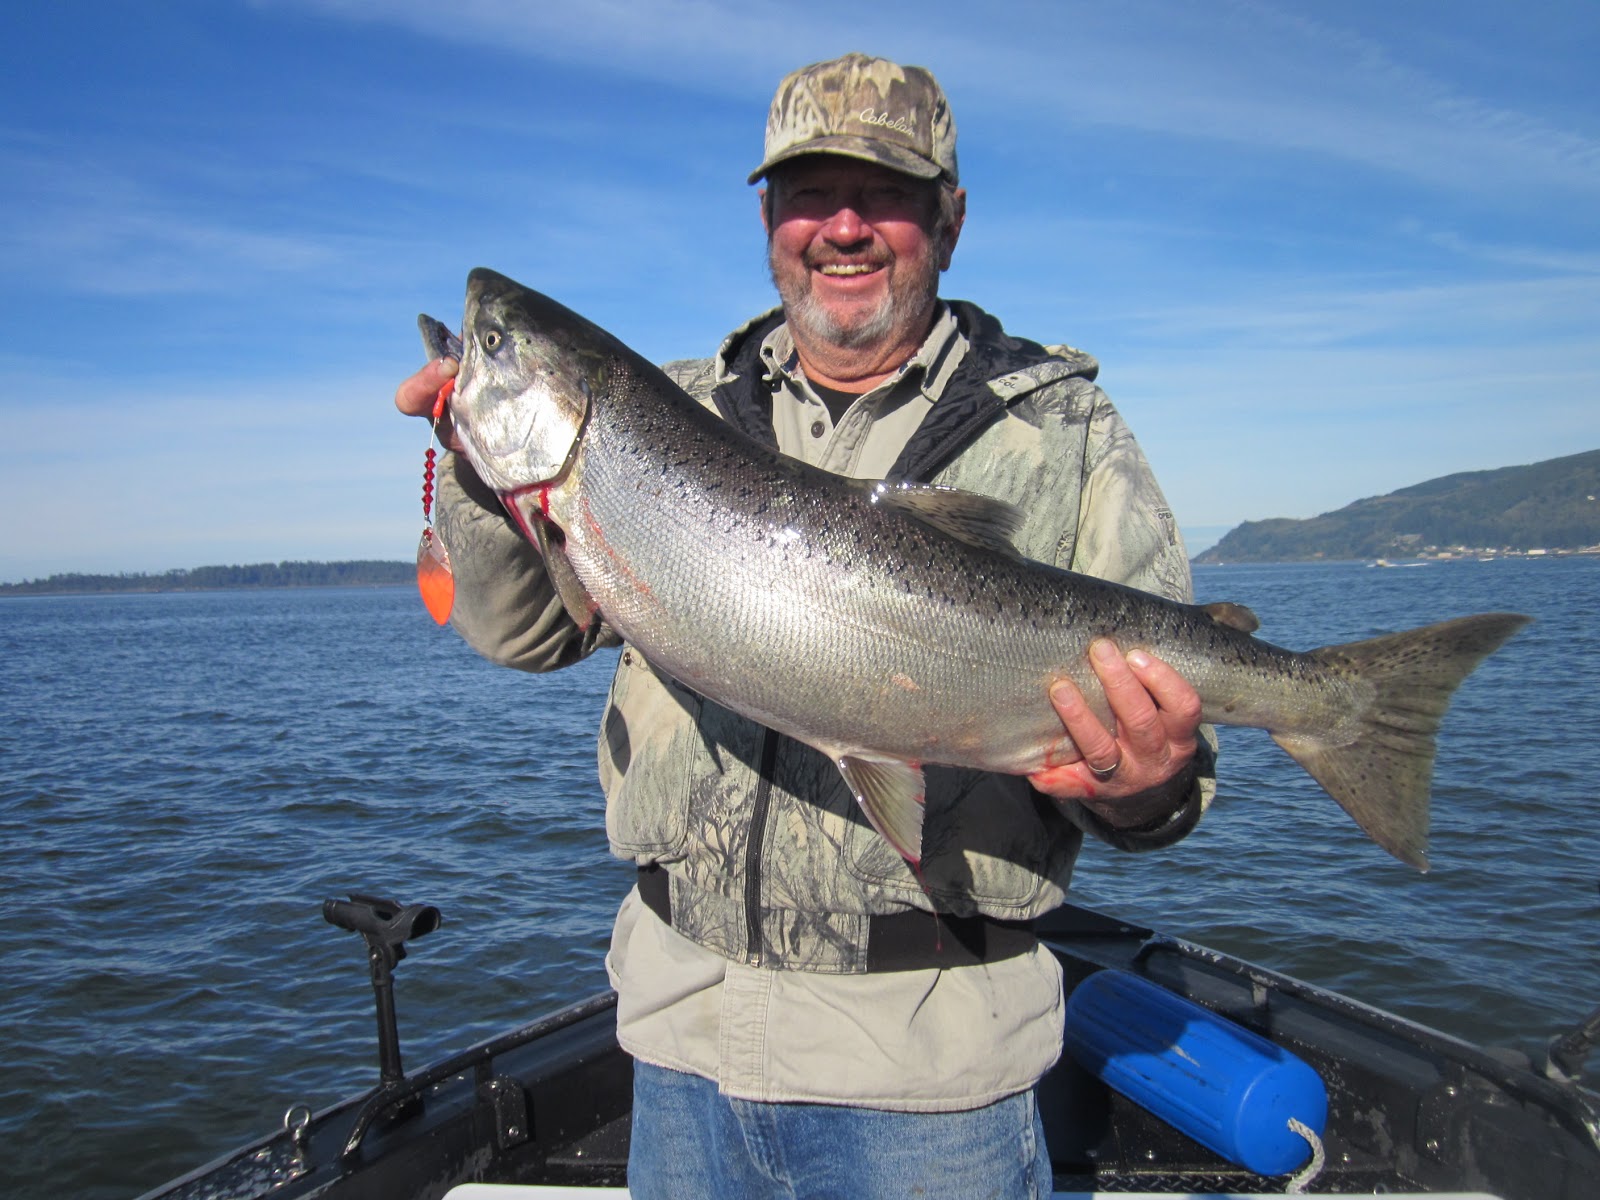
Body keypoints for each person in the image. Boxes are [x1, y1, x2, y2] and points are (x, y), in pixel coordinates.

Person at [396, 52, 1214, 1200]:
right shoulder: (679, 410)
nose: (843, 227)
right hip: (683, 1046)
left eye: (883, 194)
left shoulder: (1061, 433)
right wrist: (477, 472)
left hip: (934, 1067)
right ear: (769, 219)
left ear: (949, 217)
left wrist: (1145, 780)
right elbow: (522, 634)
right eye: (807, 195)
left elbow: (1164, 793)